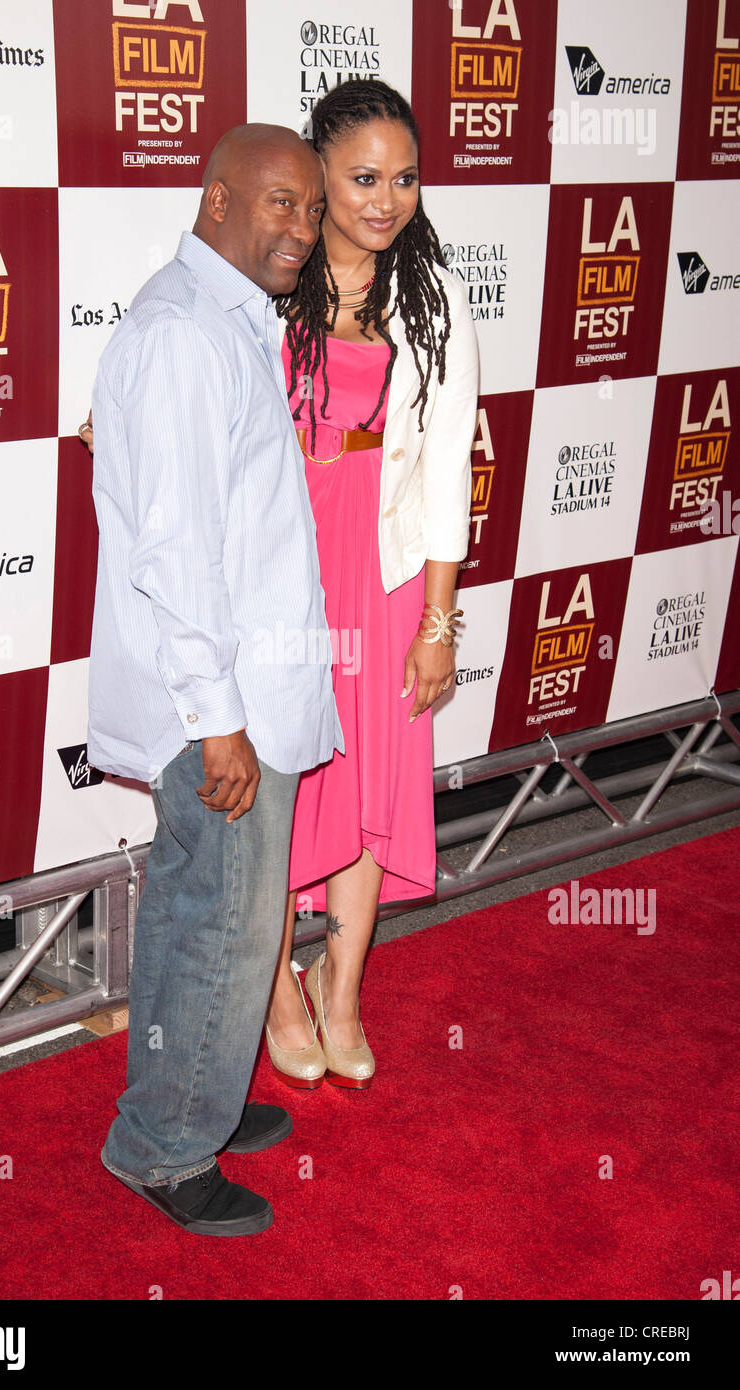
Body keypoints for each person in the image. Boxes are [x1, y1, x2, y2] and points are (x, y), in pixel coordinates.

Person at [86, 124, 341, 1236]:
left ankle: (192, 1094)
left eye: (309, 210)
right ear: (218, 197)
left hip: (239, 692)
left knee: (217, 914)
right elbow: (176, 552)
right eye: (279, 203)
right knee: (218, 921)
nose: (299, 226)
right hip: (218, 705)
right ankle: (164, 1150)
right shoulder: (187, 333)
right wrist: (219, 720)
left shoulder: (219, 323)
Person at [263, 80, 479, 1090]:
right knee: (276, 784)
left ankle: (340, 986)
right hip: (280, 565)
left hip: (384, 568)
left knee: (369, 784)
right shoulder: (266, 277)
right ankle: (271, 988)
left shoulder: (431, 303)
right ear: (316, 170)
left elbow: (444, 474)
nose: (384, 200)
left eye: (403, 178)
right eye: (360, 178)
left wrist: (436, 621)